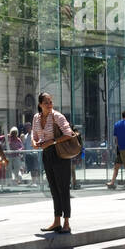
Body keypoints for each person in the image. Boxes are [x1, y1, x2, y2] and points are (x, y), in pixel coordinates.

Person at [32, 92, 74, 233]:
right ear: (40, 105)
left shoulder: (57, 116)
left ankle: (66, 222)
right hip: (47, 154)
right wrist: (34, 142)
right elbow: (34, 134)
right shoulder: (36, 118)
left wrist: (52, 141)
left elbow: (68, 134)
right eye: (46, 102)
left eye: (51, 102)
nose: (49, 105)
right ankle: (57, 221)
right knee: (54, 188)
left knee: (63, 188)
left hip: (60, 154)